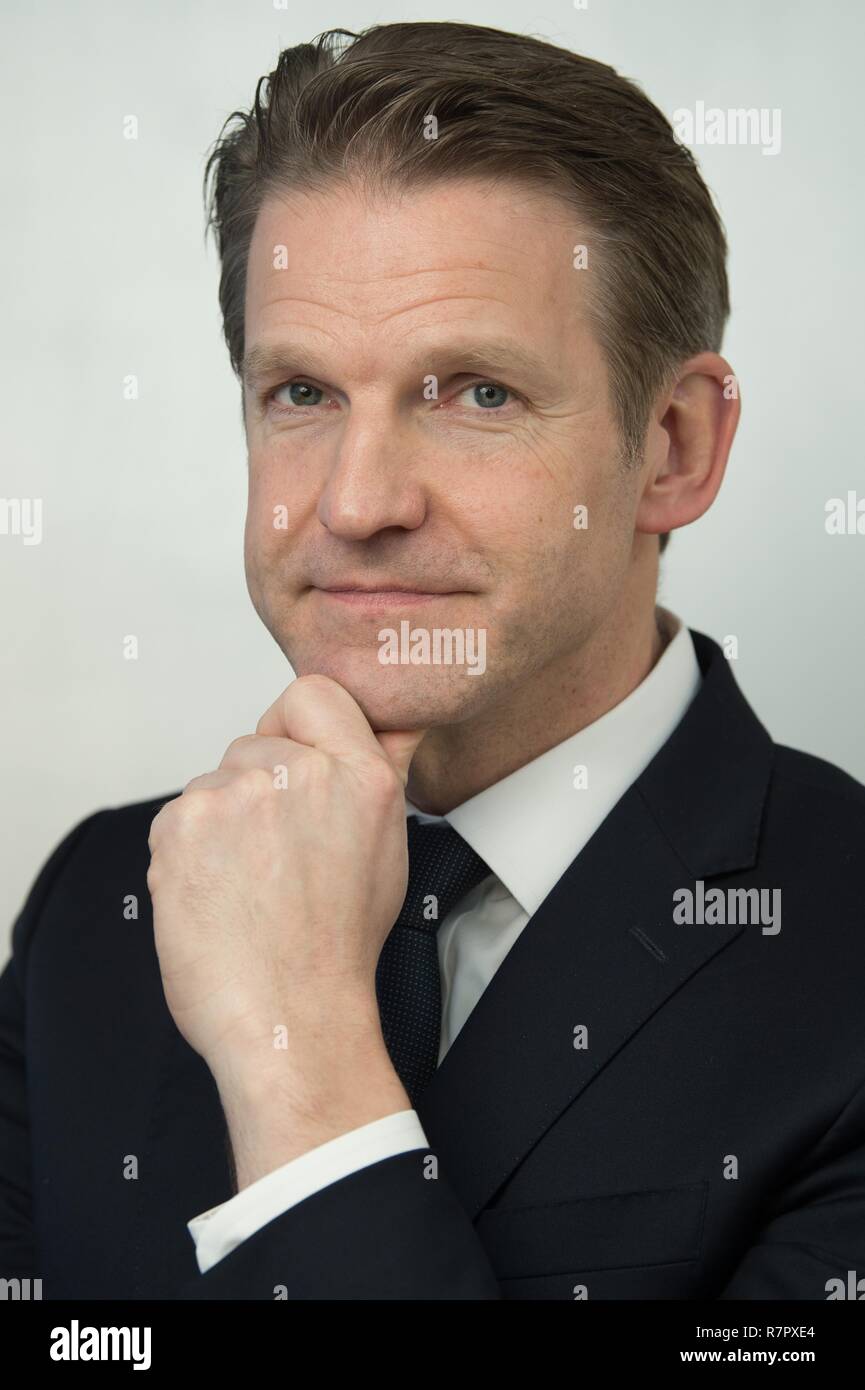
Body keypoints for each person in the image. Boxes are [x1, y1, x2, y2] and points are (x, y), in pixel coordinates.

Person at [2, 21, 864, 1302]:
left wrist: (305, 1066)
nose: (355, 502)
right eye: (301, 393)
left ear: (673, 447)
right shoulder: (98, 903)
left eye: (473, 392)